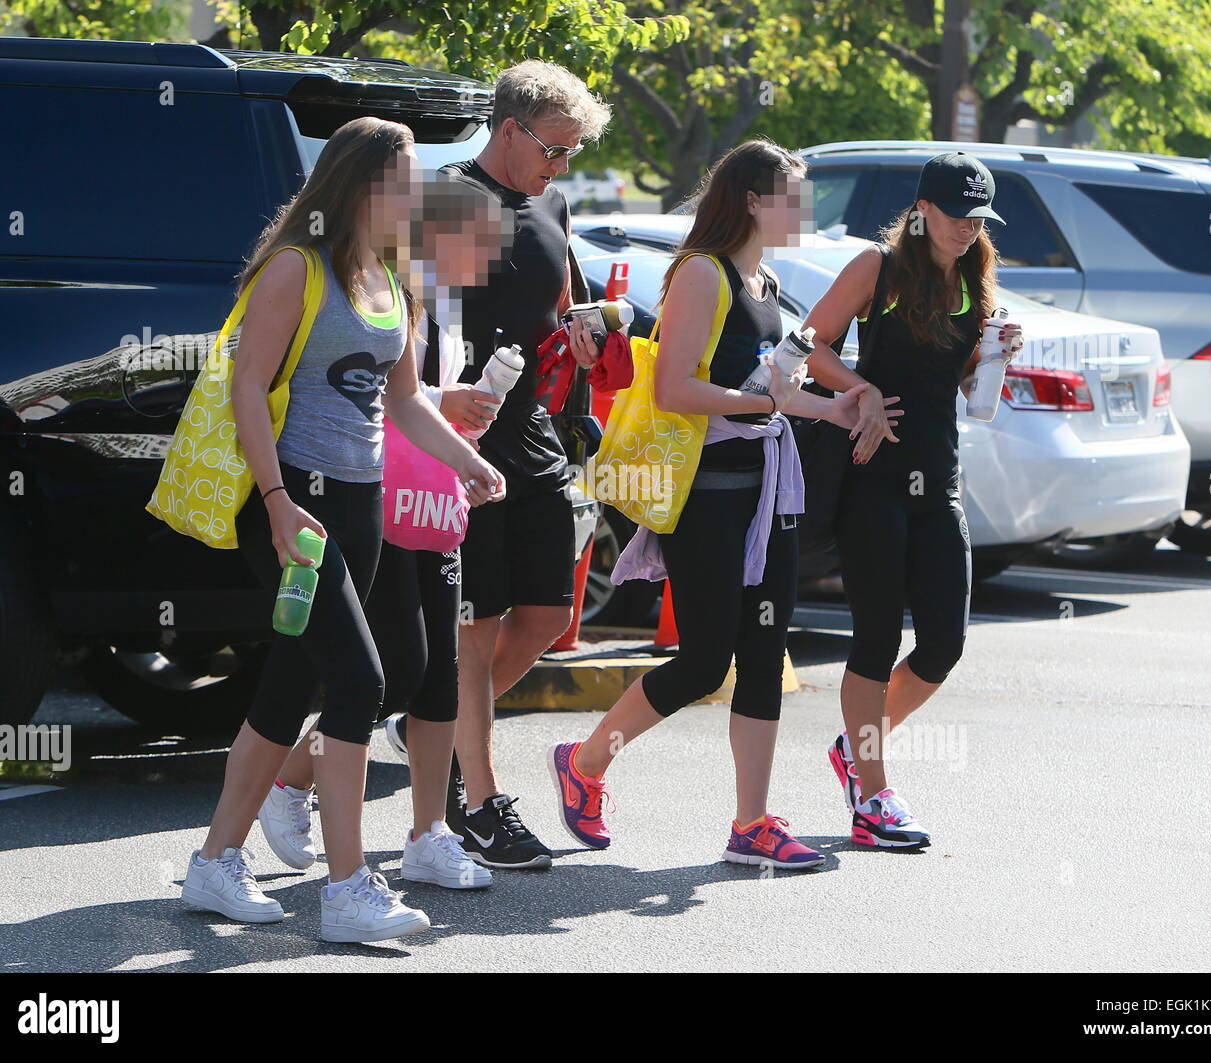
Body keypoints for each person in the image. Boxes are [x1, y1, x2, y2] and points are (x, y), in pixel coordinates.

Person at [180, 118, 505, 943]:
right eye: (405, 179)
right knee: (362, 680)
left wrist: (465, 458)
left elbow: (403, 401)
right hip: (297, 506)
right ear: (363, 183)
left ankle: (215, 861)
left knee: (291, 686)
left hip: (361, 506)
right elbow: (247, 386)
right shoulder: (297, 266)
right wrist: (277, 497)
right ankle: (348, 886)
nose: (417, 197)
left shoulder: (386, 281)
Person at [548, 140, 901, 869]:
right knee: (705, 662)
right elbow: (677, 387)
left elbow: (771, 388)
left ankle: (752, 822)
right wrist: (761, 400)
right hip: (709, 497)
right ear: (751, 199)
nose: (805, 208)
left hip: (767, 496)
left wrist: (837, 407)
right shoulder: (702, 276)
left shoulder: (765, 282)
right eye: (794, 195)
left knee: (764, 656)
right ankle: (583, 763)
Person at [257, 176, 515, 893]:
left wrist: (467, 434)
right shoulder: (385, 286)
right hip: (377, 498)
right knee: (392, 671)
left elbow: (425, 399)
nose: (486, 258)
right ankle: (292, 778)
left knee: (441, 681)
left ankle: (429, 832)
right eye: (477, 242)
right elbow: (382, 394)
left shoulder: (449, 301)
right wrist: (445, 402)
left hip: (436, 504)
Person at [801, 151, 1024, 849]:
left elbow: (956, 385)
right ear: (923, 211)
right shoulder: (879, 268)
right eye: (958, 217)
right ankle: (873, 793)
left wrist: (992, 356)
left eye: (979, 218)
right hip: (874, 480)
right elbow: (809, 344)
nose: (969, 229)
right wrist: (858, 388)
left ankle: (855, 749)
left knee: (944, 644)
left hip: (939, 484)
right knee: (874, 639)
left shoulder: (973, 275)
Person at [432, 60, 613, 870]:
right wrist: (438, 404)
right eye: (554, 147)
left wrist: (584, 327)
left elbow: (560, 295)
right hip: (459, 432)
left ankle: (435, 735)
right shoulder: (448, 201)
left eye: (572, 151)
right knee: (474, 629)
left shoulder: (552, 201)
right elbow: (415, 320)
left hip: (532, 429)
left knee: (542, 615)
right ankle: (476, 799)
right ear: (510, 130)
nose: (561, 164)